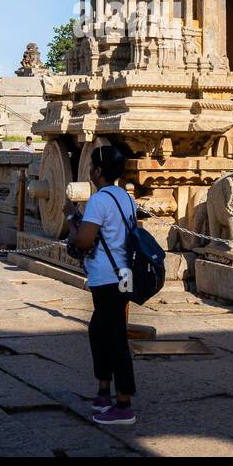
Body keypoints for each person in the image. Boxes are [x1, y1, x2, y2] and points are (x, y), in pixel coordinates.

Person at [65, 144, 137, 424]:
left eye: (92, 166)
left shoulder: (99, 200)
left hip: (108, 277)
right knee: (99, 330)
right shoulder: (125, 197)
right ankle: (104, 391)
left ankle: (124, 404)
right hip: (122, 274)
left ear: (97, 170)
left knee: (115, 337)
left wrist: (71, 216)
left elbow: (83, 240)